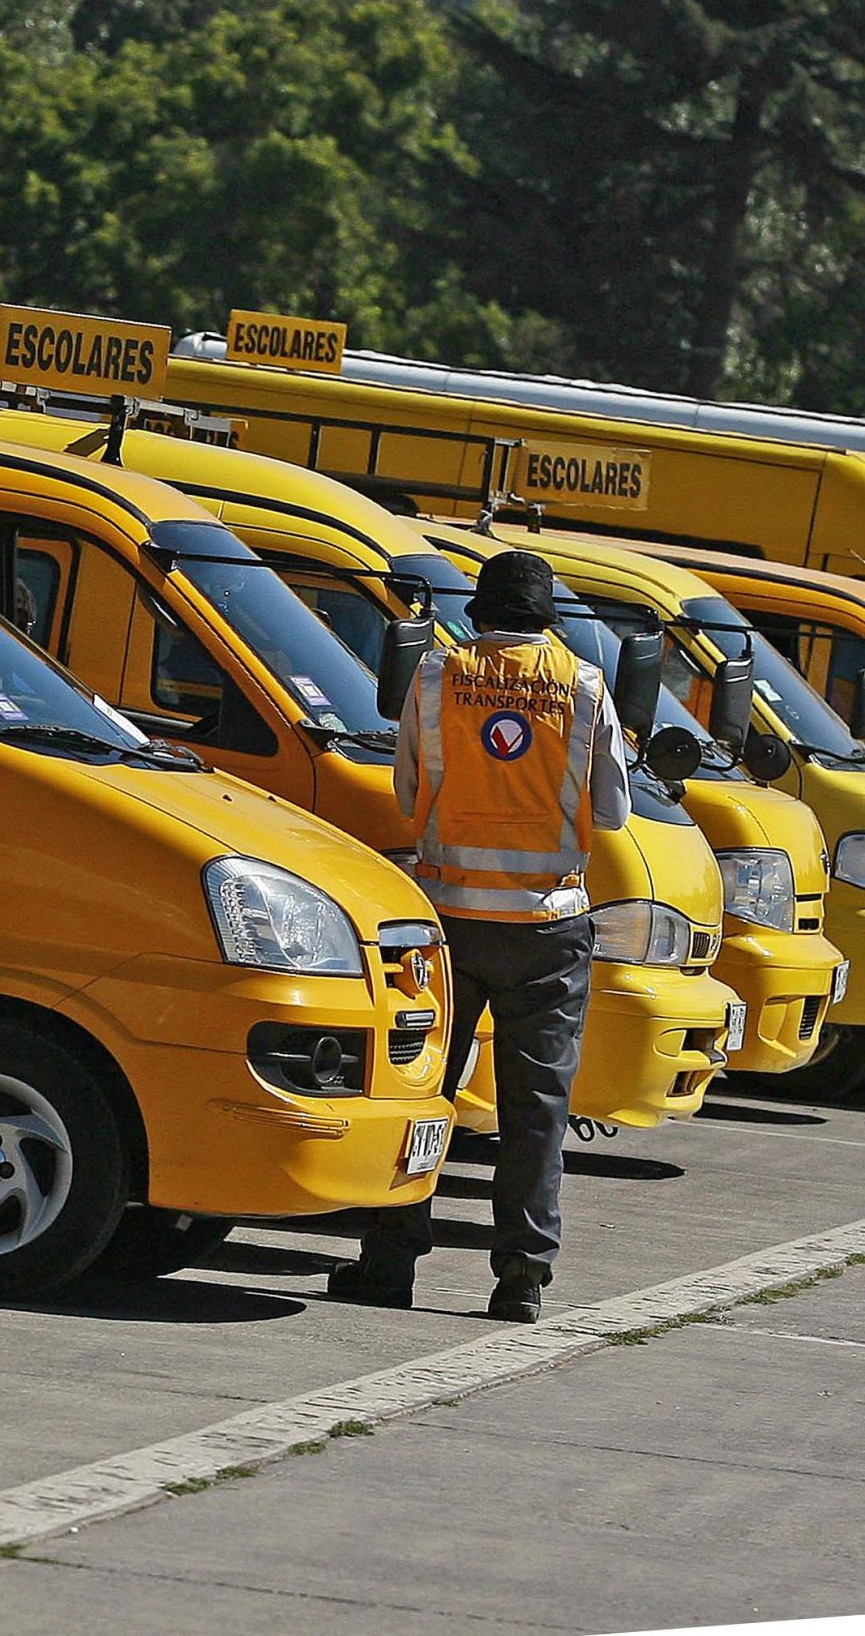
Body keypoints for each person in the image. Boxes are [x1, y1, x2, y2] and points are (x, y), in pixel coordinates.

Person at [330, 549, 629, 1323]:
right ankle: (521, 1279)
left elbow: (405, 793)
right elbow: (616, 812)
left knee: (423, 1090)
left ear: (481, 612)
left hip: (448, 920)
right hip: (549, 926)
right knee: (537, 1110)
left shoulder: (434, 678)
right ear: (546, 618)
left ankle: (389, 1264)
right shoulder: (585, 686)